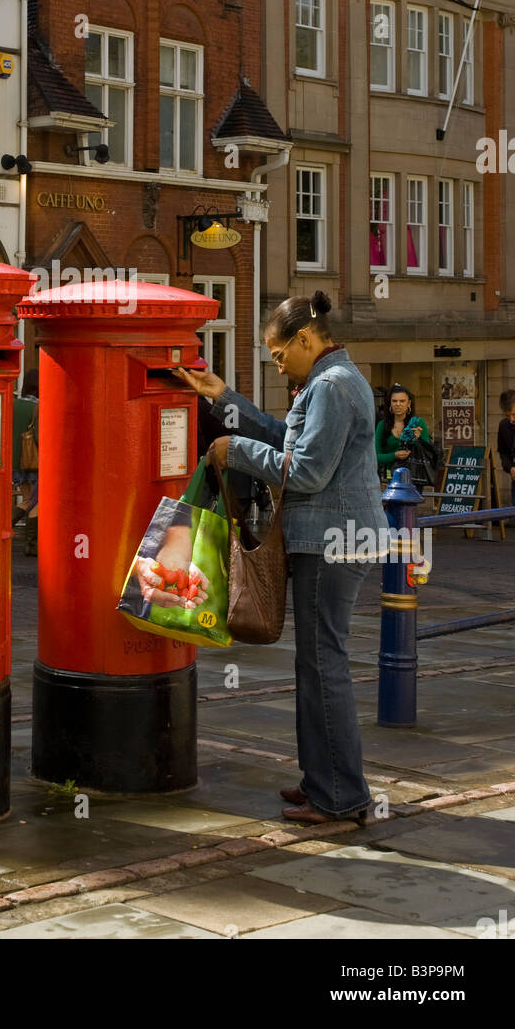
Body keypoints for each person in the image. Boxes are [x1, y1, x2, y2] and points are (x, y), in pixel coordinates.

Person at [177, 290, 388, 827]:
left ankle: (339, 796)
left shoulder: (334, 387)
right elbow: (282, 438)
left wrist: (235, 451)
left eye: (278, 353)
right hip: (330, 538)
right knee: (316, 664)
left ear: (304, 339)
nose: (277, 361)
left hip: (331, 542)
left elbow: (309, 470)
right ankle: (325, 780)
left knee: (324, 665)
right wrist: (222, 397)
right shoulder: (326, 382)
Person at [374, 384, 430, 483]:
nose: (398, 404)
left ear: (409, 404)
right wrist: (394, 455)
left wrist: (418, 440)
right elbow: (376, 456)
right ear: (390, 404)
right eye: (394, 401)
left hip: (414, 478)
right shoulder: (382, 425)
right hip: (390, 478)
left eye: (402, 401)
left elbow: (427, 453)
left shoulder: (418, 423)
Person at [12, 367, 39, 556]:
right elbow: (38, 437)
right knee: (35, 501)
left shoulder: (13, 405)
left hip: (15, 462)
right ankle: (31, 543)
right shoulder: (39, 407)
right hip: (34, 461)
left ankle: (5, 527)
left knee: (29, 498)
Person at [497, 390, 515, 506]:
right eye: (508, 415)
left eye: (514, 414)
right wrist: (510, 468)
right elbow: (503, 452)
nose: (512, 419)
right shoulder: (504, 425)